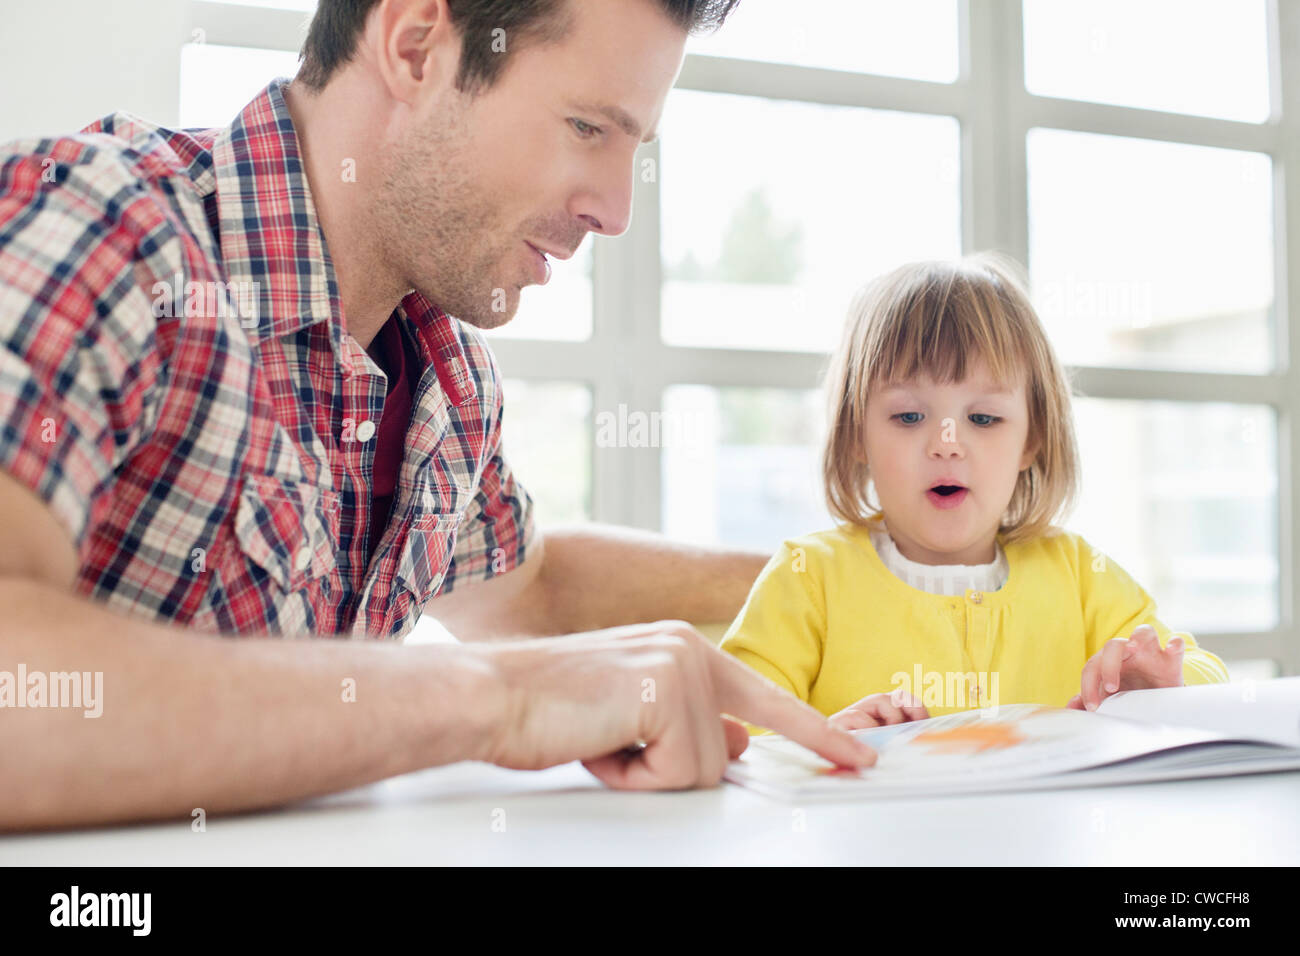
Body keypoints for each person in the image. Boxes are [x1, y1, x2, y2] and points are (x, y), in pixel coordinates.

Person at [0, 0, 876, 831]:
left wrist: (847, 577)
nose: (615, 210)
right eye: (586, 127)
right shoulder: (102, 232)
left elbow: (532, 587)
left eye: (632, 144)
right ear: (416, 46)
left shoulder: (447, 383)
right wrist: (495, 698)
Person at [719, 253, 1229, 732]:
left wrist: (1163, 686)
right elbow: (726, 730)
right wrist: (816, 743)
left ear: (1031, 440)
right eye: (909, 416)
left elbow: (1206, 677)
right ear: (857, 433)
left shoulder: (1078, 577)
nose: (947, 445)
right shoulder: (808, 581)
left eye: (983, 418)